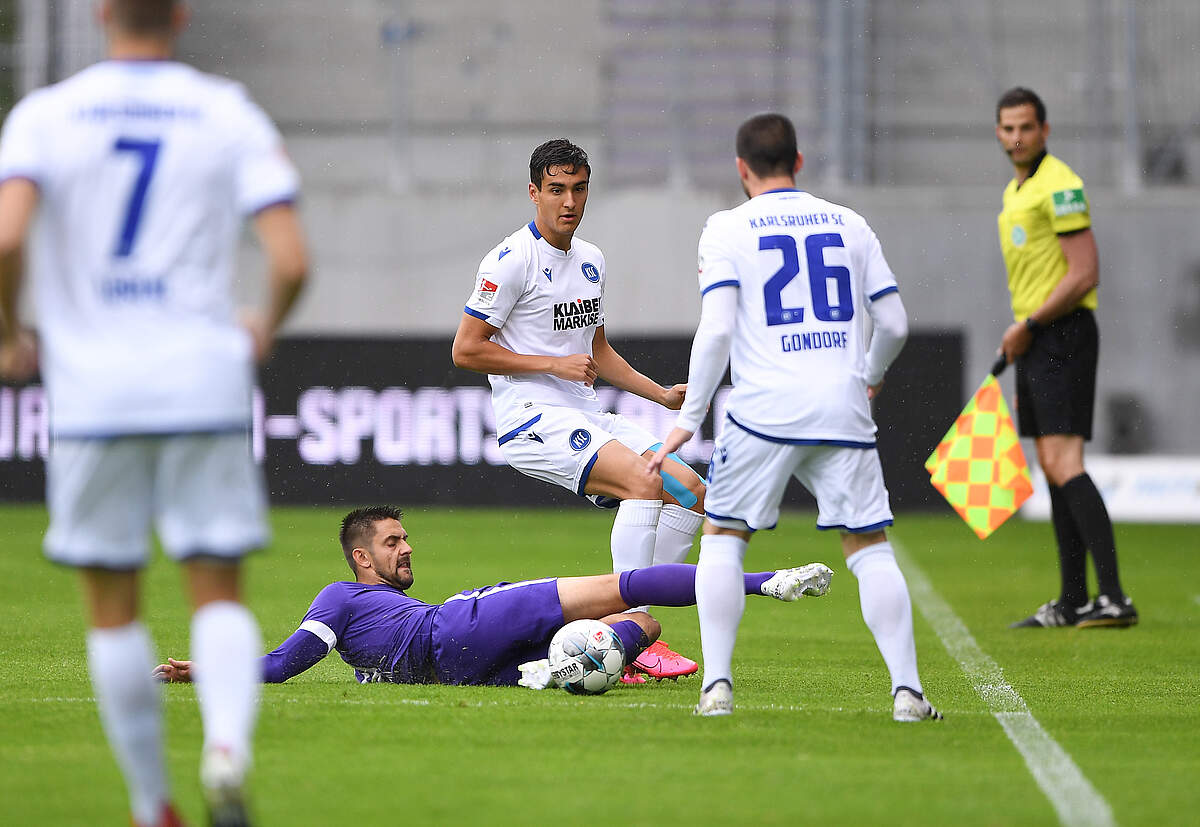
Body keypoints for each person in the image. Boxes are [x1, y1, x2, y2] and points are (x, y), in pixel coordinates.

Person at [0, 2, 309, 825]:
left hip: (92, 391)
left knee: (114, 610)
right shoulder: (225, 110)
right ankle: (227, 750)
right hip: (201, 382)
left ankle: (149, 804)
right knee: (217, 592)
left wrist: (8, 334)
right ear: (182, 13)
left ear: (101, 12)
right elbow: (289, 257)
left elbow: (5, 240)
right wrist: (262, 327)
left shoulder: (44, 117)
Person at [649, 113, 941, 722]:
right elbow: (894, 324)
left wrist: (691, 416)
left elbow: (719, 327)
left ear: (741, 169)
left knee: (725, 539)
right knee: (868, 547)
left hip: (762, 411)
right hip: (841, 405)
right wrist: (868, 375)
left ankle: (718, 688)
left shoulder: (726, 228)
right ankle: (908, 692)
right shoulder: (850, 224)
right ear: (799, 161)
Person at [451, 139, 707, 682]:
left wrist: (659, 394)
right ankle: (630, 631)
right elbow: (466, 349)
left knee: (691, 490)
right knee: (643, 481)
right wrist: (550, 364)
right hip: (531, 418)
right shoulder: (510, 260)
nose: (569, 201)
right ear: (534, 193)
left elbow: (596, 351)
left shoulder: (591, 260)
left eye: (579, 189)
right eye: (556, 190)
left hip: (584, 412)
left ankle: (625, 634)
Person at [153, 506, 832, 689]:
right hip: (457, 625)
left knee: (640, 625)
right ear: (361, 558)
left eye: (407, 537)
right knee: (620, 586)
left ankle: (593, 654)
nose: (406, 547)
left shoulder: (366, 639)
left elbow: (293, 666)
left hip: (461, 666)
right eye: (393, 542)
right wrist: (206, 669)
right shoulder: (338, 596)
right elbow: (282, 662)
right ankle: (760, 580)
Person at [993, 87, 1136, 629]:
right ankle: (1074, 599)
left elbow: (1084, 273)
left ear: (1044, 130)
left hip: (1061, 334)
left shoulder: (1062, 185)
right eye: (1007, 128)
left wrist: (1028, 325)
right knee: (1053, 468)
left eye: (1026, 127)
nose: (1016, 137)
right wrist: (1025, 332)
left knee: (1064, 463)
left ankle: (1116, 598)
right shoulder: (1015, 190)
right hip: (1037, 337)